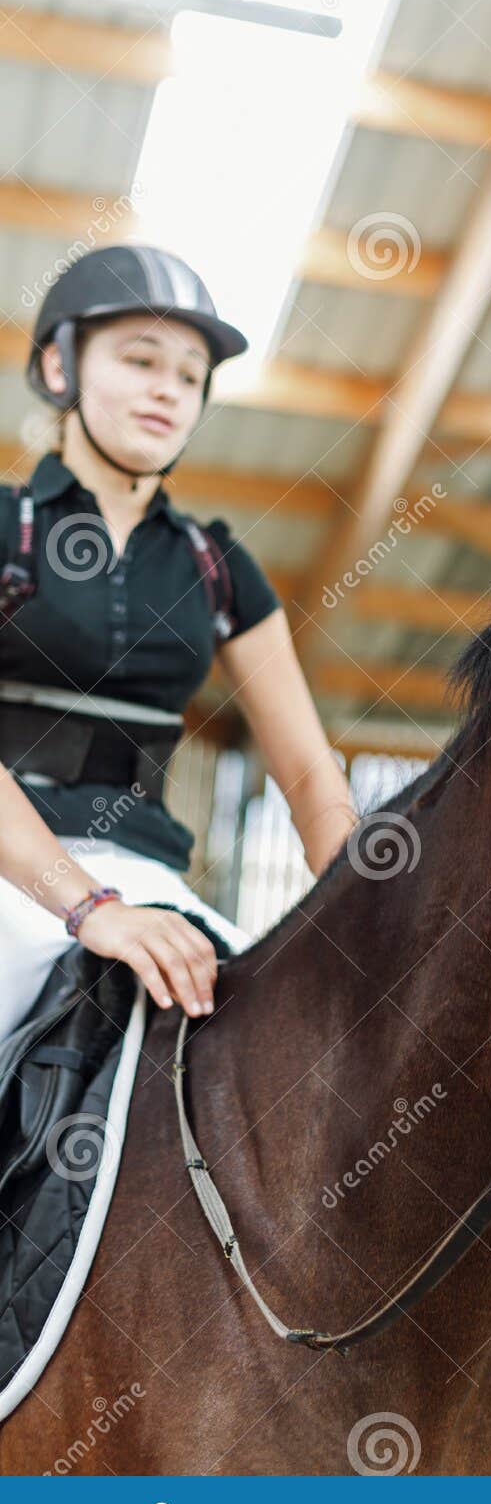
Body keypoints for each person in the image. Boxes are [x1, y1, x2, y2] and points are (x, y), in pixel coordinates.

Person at [0, 243, 356, 1041]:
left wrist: (369, 905)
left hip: (147, 881)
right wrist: (86, 905)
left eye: (191, 376)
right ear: (59, 370)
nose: (169, 388)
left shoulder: (220, 566)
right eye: (140, 359)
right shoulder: (5, 528)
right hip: (18, 875)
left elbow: (304, 769)